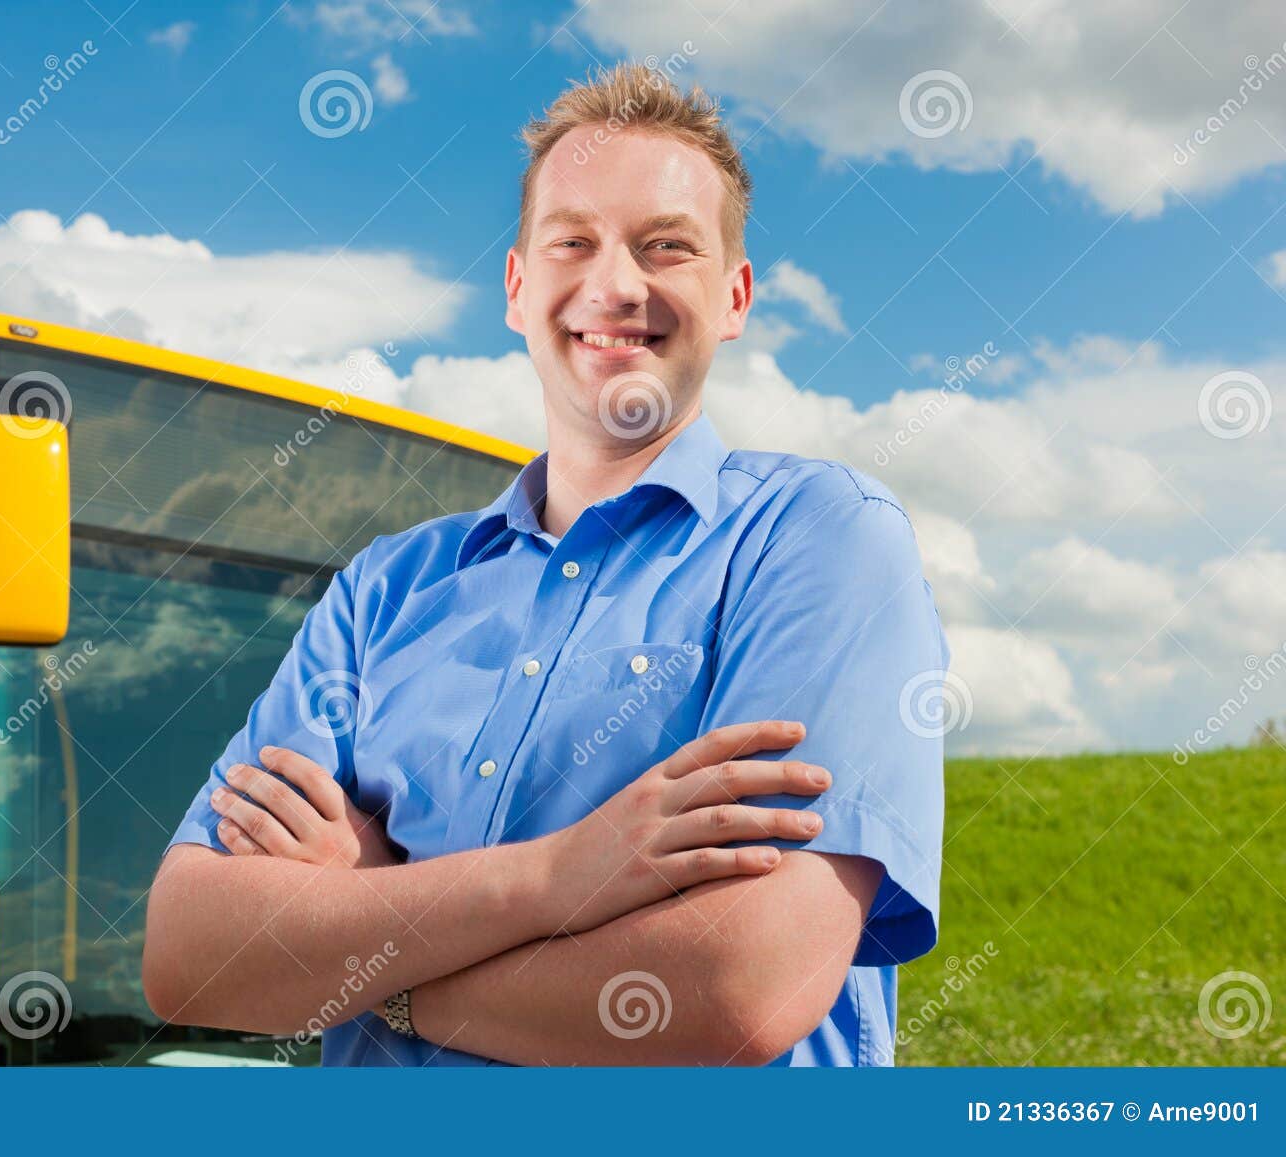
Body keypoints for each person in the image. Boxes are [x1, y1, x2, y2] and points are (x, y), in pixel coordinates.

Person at [143, 61, 948, 1067]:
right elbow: (192, 956)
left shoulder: (819, 538)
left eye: (667, 247)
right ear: (520, 288)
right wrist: (558, 876)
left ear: (734, 297)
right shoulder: (379, 594)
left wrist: (366, 951)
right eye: (572, 240)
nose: (614, 284)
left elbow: (736, 988)